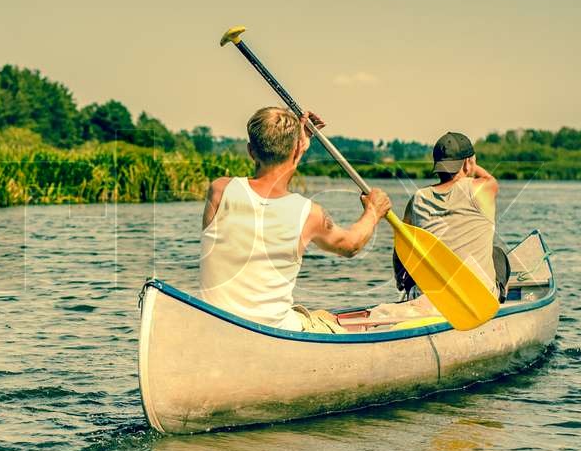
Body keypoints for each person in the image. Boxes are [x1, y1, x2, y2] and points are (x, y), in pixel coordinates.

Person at [200, 106, 392, 333]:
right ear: (296, 149)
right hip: (272, 330)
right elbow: (351, 245)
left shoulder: (220, 190)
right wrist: (373, 212)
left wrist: (299, 146)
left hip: (214, 324)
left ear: (251, 151)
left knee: (317, 315)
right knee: (325, 320)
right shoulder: (310, 214)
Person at [395, 131, 499, 298]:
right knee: (498, 257)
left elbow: (401, 244)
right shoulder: (482, 189)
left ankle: (411, 293)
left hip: (430, 295)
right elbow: (489, 178)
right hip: (477, 295)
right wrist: (471, 164)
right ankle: (500, 299)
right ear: (468, 163)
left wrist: (401, 281)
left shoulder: (418, 198)